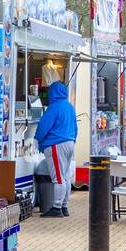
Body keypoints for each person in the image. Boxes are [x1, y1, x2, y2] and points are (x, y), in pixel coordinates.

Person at [35, 80, 78, 218]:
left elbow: (44, 126)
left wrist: (38, 139)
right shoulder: (70, 107)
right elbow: (75, 128)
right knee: (65, 176)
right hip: (70, 142)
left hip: (56, 144)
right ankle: (64, 206)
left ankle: (57, 208)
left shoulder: (54, 107)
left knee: (57, 178)